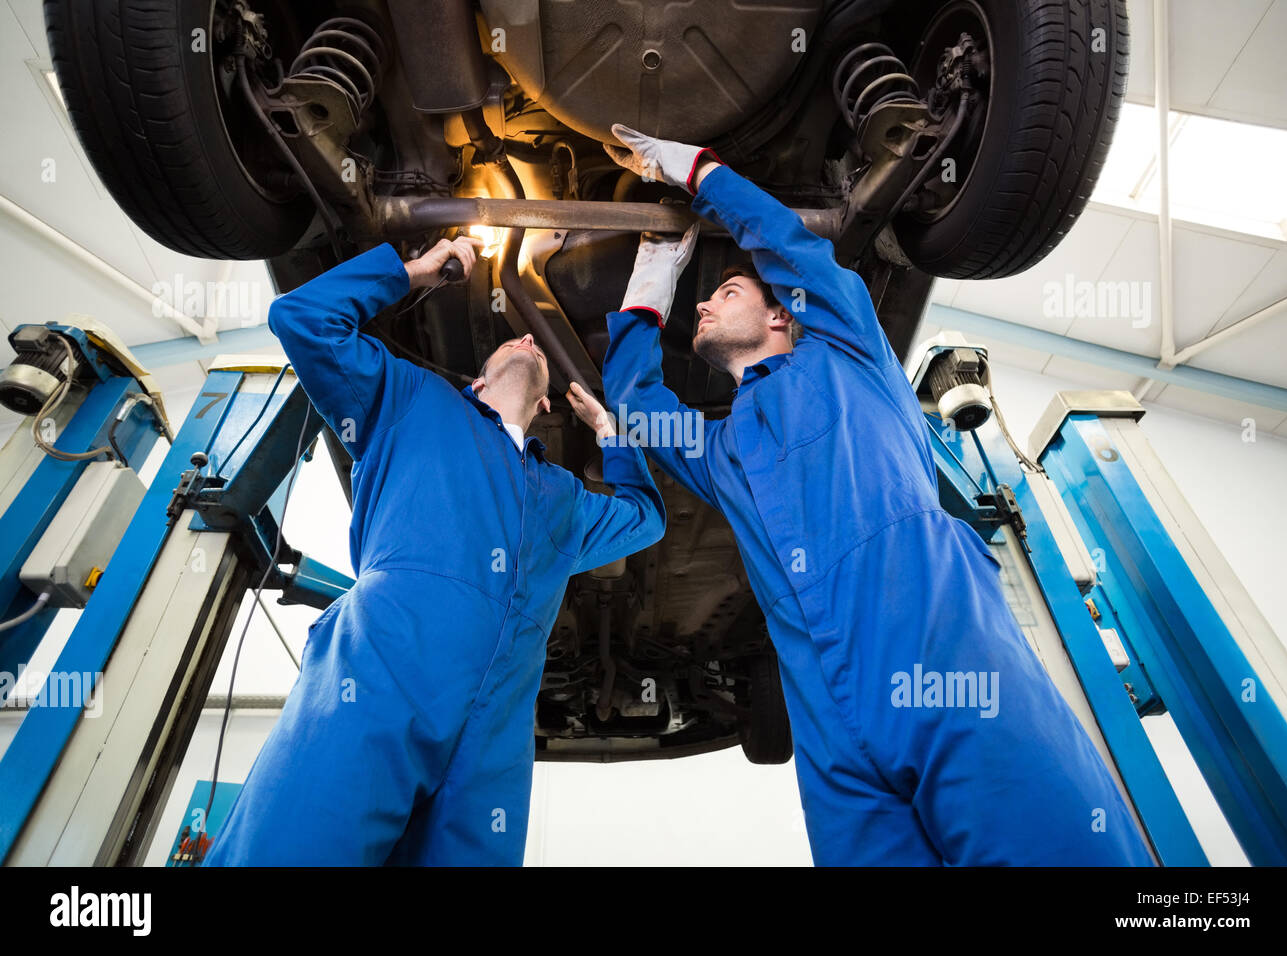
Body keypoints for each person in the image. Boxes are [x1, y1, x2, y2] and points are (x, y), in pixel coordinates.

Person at [601, 123, 1154, 866]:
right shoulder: (723, 451)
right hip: (829, 727)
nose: (703, 307)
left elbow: (788, 247)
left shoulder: (846, 352)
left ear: (780, 316)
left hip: (943, 656)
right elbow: (634, 402)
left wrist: (696, 172)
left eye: (724, 292)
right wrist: (650, 285)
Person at [203, 236, 666, 865]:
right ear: (476, 382)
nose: (529, 339)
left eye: (535, 345)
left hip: (493, 745)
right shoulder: (407, 400)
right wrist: (412, 271)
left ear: (548, 402)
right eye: (513, 339)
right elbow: (302, 319)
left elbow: (645, 519)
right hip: (376, 684)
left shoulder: (563, 497)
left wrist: (611, 435)